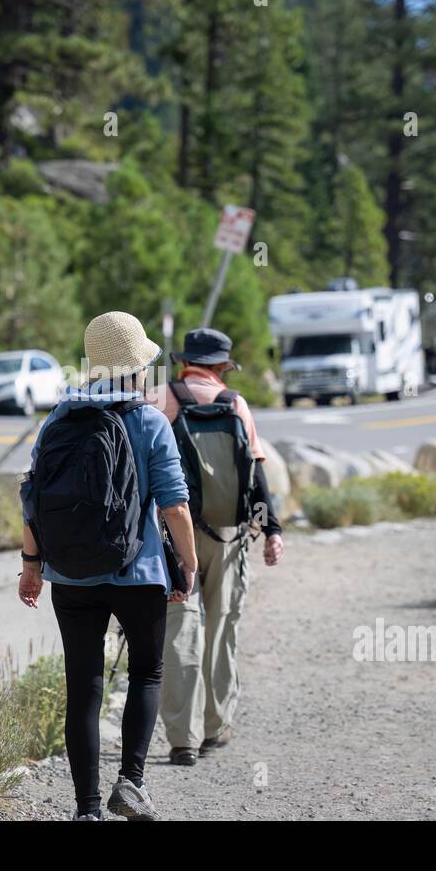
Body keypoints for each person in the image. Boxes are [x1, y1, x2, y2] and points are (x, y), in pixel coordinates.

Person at [18, 311, 198, 821]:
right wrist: (188, 564)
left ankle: (86, 809)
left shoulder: (59, 419)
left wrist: (32, 566)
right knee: (146, 673)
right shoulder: (149, 422)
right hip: (138, 575)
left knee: (84, 689)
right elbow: (175, 505)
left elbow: (31, 499)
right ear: (137, 368)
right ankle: (132, 784)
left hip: (70, 577)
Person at [147, 327, 284, 766]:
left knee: (179, 632)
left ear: (185, 361)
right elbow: (255, 474)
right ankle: (215, 727)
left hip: (173, 536)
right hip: (228, 535)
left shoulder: (159, 398)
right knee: (222, 627)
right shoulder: (236, 404)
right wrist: (273, 530)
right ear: (222, 366)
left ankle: (181, 739)